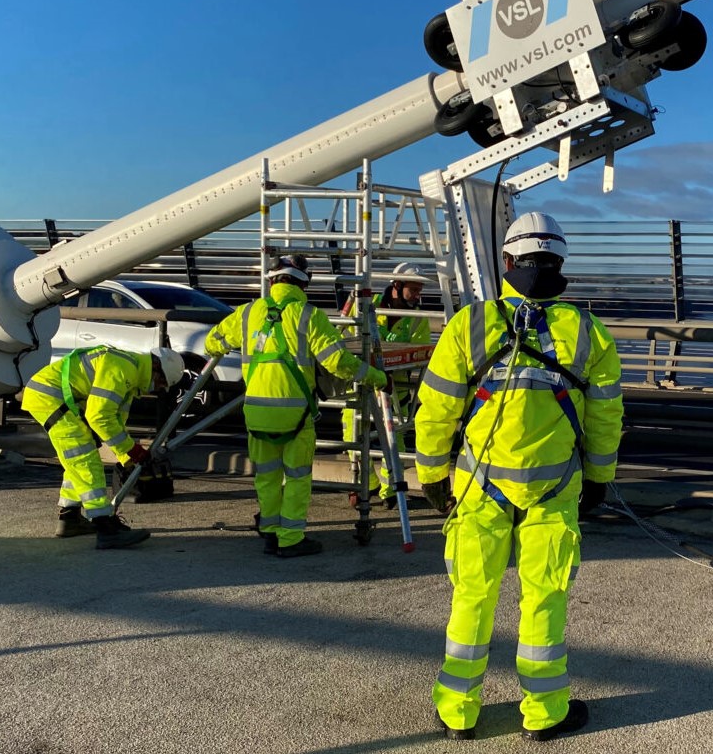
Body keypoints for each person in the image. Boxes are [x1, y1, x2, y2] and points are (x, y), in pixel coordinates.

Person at [414, 212, 623, 741]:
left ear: (507, 263)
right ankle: (545, 712)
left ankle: (458, 711)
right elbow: (605, 416)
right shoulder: (588, 332)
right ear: (560, 263)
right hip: (554, 491)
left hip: (479, 486)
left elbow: (435, 410)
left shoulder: (469, 324)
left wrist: (433, 475)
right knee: (545, 598)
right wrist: (599, 477)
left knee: (472, 597)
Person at [205, 254, 387, 558]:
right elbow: (338, 362)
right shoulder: (309, 316)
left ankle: (271, 531)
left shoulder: (248, 313)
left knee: (267, 476)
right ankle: (289, 539)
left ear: (272, 280)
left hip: (257, 412)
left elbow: (212, 342)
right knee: (297, 477)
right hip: (296, 415)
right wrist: (376, 377)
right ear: (304, 282)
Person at [20, 345, 184, 549]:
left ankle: (69, 519)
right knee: (85, 461)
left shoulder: (130, 378)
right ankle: (105, 526)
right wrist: (132, 450)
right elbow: (99, 416)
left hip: (57, 397)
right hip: (49, 397)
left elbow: (116, 422)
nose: (158, 388)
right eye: (161, 382)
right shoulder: (123, 368)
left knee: (78, 461)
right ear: (157, 367)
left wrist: (127, 458)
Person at [342, 262, 432, 508]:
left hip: (394, 389)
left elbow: (417, 353)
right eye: (413, 289)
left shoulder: (417, 319)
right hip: (361, 385)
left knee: (394, 443)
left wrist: (391, 362)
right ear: (397, 285)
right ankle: (364, 485)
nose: (417, 295)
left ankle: (390, 491)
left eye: (419, 290)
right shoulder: (365, 305)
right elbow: (346, 337)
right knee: (353, 434)